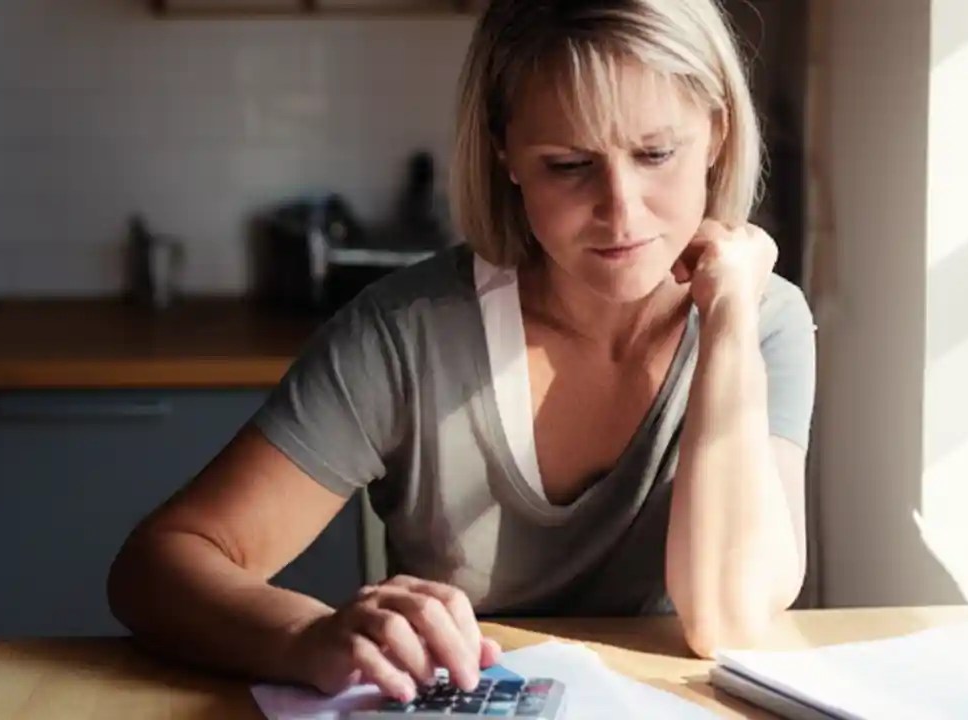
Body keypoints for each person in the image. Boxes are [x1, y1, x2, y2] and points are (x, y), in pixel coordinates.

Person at [107, 0, 816, 704]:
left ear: (718, 132)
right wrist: (305, 636)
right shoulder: (405, 332)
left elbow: (728, 619)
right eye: (569, 165)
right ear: (504, 151)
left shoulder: (764, 319)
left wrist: (727, 318)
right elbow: (156, 566)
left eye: (656, 153)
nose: (622, 210)